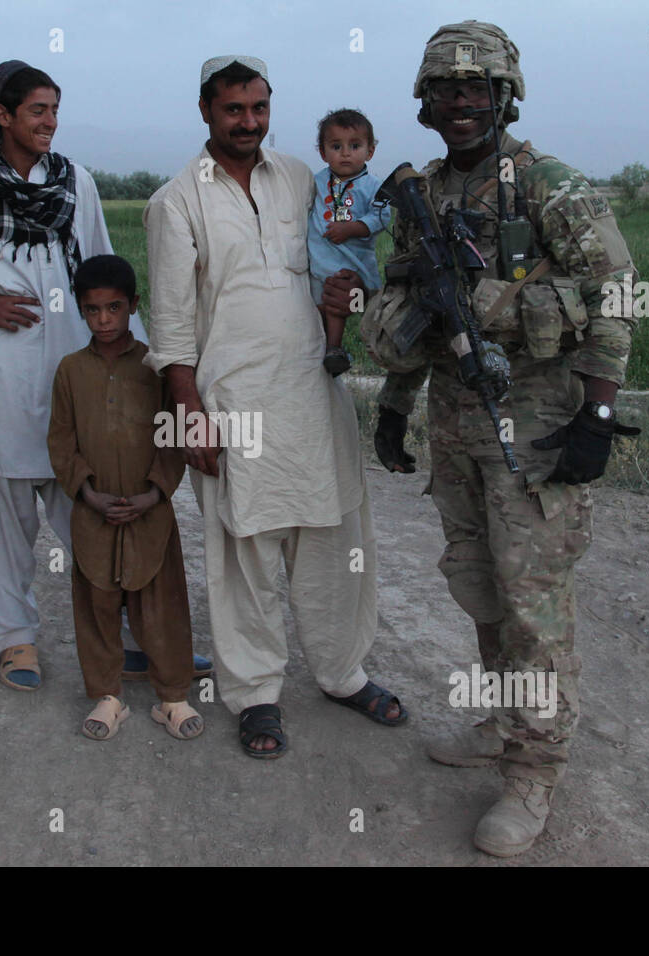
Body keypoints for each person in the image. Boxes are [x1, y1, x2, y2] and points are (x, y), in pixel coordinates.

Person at [325, 22, 640, 856]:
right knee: (480, 589)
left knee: (536, 612)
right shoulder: (422, 194)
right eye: (444, 91)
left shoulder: (550, 185)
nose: (460, 104)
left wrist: (597, 416)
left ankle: (535, 772)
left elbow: (614, 297)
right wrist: (394, 406)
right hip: (459, 431)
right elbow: (413, 307)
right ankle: (505, 724)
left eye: (476, 89)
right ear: (423, 104)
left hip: (537, 435)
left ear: (505, 94)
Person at [143, 55, 407, 759]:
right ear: (206, 111)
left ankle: (342, 673)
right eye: (234, 109)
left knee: (335, 537)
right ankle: (256, 693)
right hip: (232, 403)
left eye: (259, 108)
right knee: (245, 551)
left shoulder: (301, 178)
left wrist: (343, 299)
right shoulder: (177, 201)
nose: (248, 122)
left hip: (313, 394)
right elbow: (170, 324)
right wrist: (189, 412)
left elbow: (337, 264)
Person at [0, 62, 160, 692]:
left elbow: (103, 270)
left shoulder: (79, 184)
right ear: (3, 115)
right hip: (4, 373)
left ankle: (130, 636)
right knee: (3, 520)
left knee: (96, 510)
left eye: (54, 110)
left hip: (78, 365)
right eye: (37, 110)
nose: (49, 122)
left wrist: (141, 358)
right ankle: (14, 640)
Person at [47, 255, 202, 742]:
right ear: (80, 311)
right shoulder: (70, 371)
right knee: (96, 603)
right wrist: (87, 492)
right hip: (94, 512)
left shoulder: (156, 369)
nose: (104, 320)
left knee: (162, 604)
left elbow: (175, 434)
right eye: (92, 311)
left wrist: (155, 492)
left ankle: (172, 697)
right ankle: (107, 695)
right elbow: (60, 440)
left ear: (134, 305)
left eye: (114, 307)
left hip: (149, 511)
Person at [306, 108, 391, 377]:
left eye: (354, 146)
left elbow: (381, 215)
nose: (345, 153)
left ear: (370, 151)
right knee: (317, 306)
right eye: (336, 146)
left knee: (337, 305)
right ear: (322, 152)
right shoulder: (316, 182)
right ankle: (317, 350)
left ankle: (335, 349)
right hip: (319, 257)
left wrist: (353, 228)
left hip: (350, 261)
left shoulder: (373, 186)